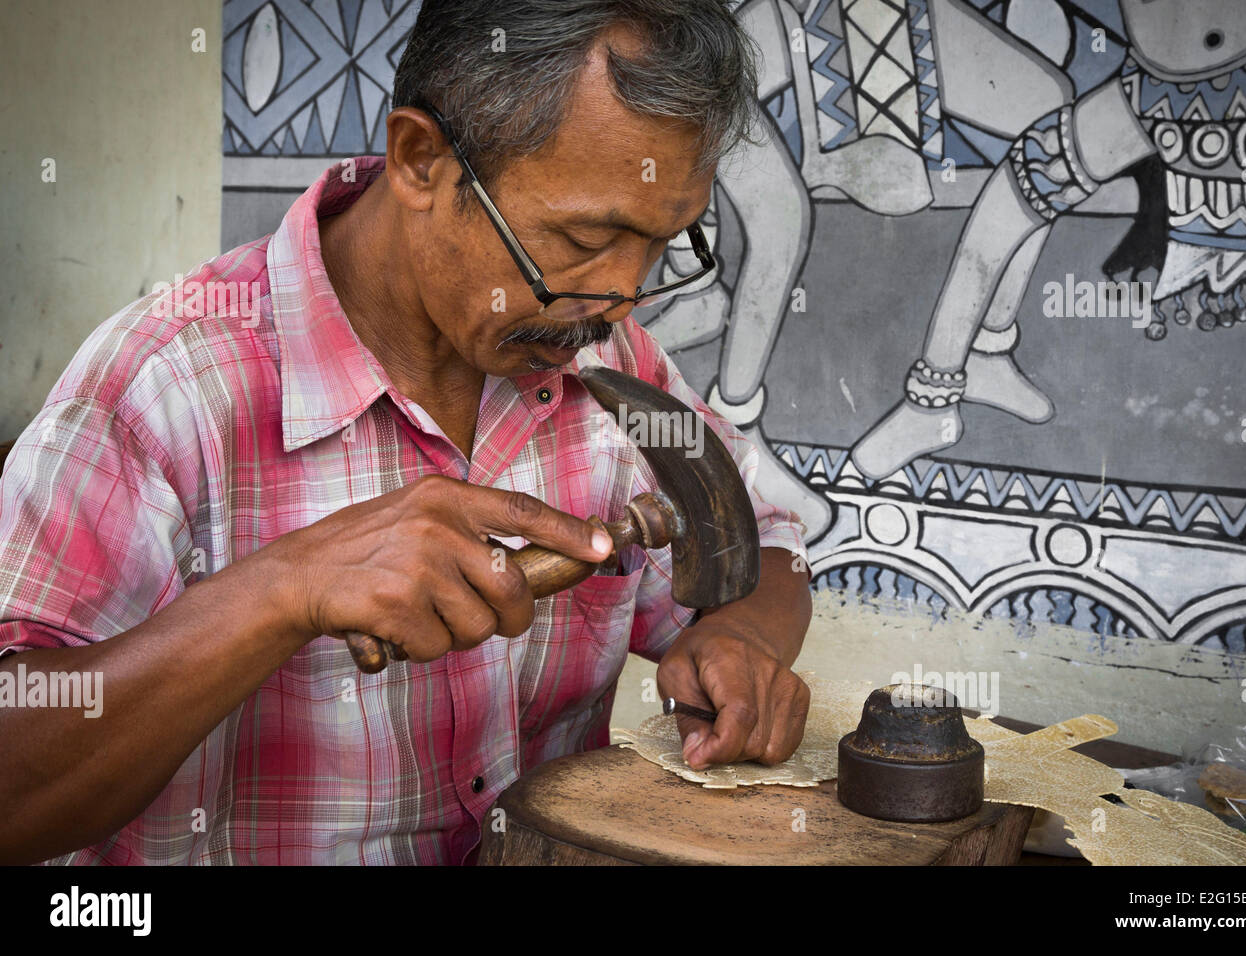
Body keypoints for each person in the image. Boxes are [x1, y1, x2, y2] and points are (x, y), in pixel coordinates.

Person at [0, 0, 812, 865]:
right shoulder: (165, 386)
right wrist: (279, 592)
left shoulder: (614, 368)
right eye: (583, 238)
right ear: (421, 160)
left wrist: (742, 641)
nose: (617, 295)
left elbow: (765, 549)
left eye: (663, 244)